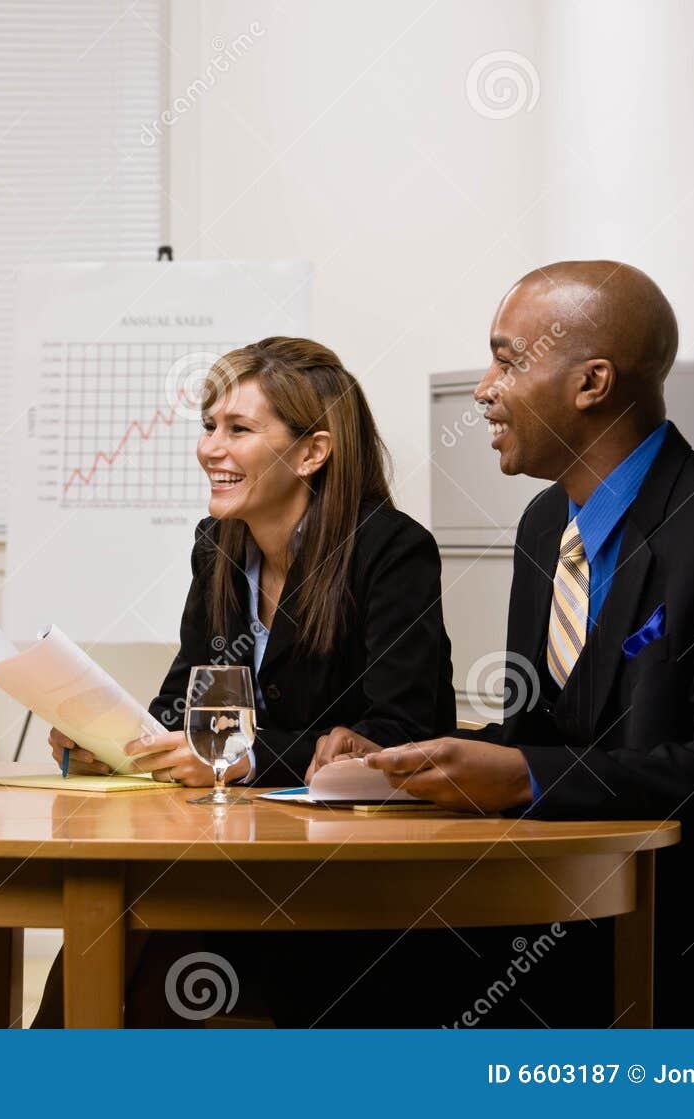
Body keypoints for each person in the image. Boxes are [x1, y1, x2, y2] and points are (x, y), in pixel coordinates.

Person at [324, 261, 694, 1026]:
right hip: (563, 911)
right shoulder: (543, 527)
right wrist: (413, 762)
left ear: (591, 382)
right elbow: (552, 734)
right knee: (334, 966)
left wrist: (518, 775)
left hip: (693, 939)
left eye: (507, 359)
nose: (483, 389)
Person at [34, 336, 456, 1025]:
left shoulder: (391, 551)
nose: (210, 448)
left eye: (238, 429)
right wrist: (111, 738)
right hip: (225, 856)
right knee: (115, 927)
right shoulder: (219, 545)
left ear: (313, 451)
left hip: (347, 877)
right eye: (208, 426)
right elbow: (183, 701)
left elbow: (402, 735)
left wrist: (247, 756)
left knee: (137, 944)